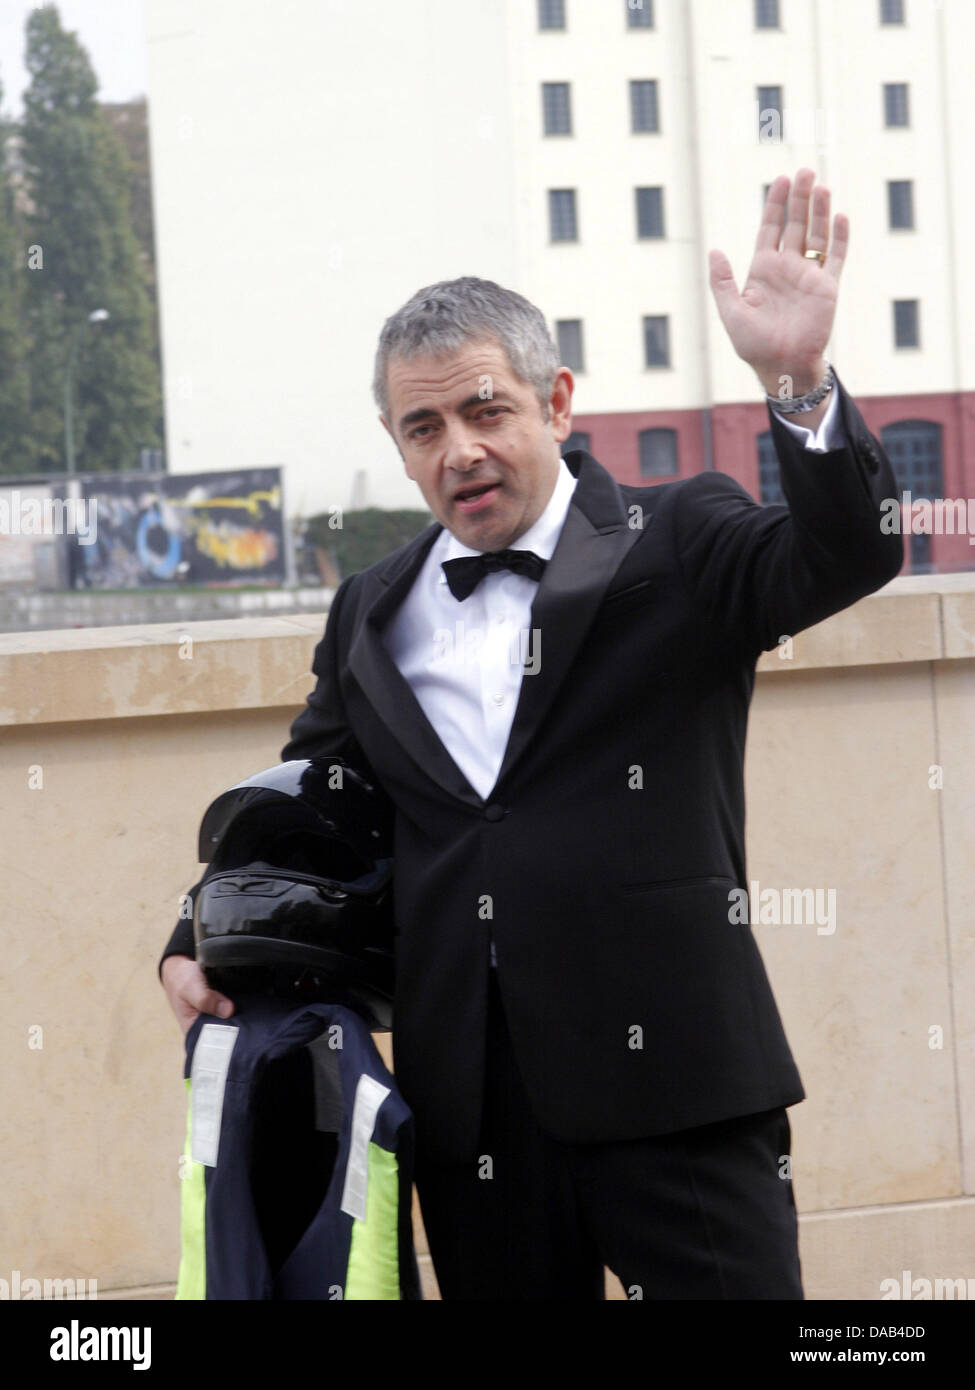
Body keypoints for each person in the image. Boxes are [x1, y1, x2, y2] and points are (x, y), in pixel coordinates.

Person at [161, 169, 903, 1299]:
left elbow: (849, 554)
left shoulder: (680, 535)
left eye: (485, 409)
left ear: (556, 401)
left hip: (682, 1085)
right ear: (396, 443)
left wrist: (797, 381)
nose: (458, 448)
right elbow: (308, 798)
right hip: (473, 1111)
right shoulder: (370, 607)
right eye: (425, 425)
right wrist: (194, 931)